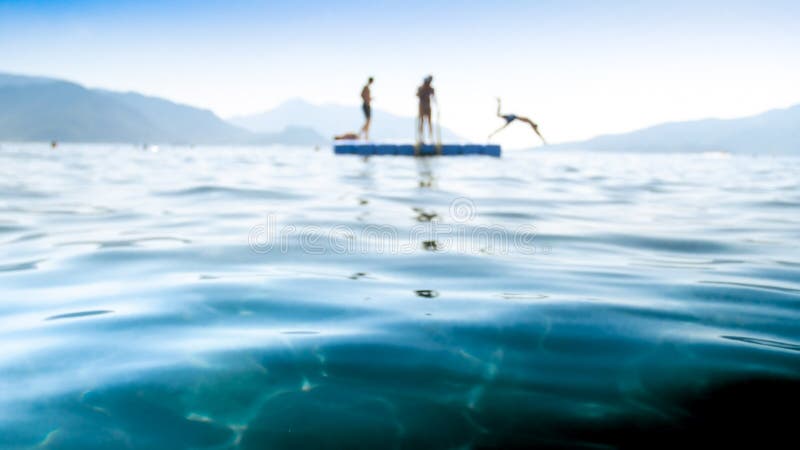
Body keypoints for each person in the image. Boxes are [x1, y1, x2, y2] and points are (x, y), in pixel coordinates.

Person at [416, 75, 435, 144]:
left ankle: (431, 138)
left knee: (429, 122)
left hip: (428, 107)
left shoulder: (430, 88)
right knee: (422, 122)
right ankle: (421, 138)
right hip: (422, 107)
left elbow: (433, 97)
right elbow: (417, 95)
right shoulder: (421, 88)